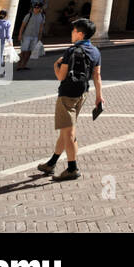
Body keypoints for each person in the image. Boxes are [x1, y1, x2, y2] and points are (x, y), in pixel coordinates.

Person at [37, 17, 102, 182]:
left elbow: (61, 76)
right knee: (65, 130)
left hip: (67, 94)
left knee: (69, 131)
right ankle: (51, 163)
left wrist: (55, 66)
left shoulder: (71, 51)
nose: (72, 34)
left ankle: (72, 168)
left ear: (80, 34)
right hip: (82, 94)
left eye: (74, 31)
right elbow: (97, 75)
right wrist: (99, 97)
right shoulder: (95, 51)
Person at [15, 3, 46, 71]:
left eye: (37, 7)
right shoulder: (29, 15)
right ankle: (19, 65)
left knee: (29, 52)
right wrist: (20, 35)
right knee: (23, 51)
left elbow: (41, 28)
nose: (35, 9)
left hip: (35, 37)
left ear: (40, 9)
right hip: (26, 36)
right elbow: (22, 26)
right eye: (35, 7)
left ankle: (24, 65)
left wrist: (39, 38)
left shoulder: (42, 16)